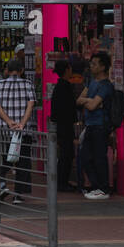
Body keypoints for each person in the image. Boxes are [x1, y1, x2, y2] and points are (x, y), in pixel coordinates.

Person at [0, 58, 38, 204]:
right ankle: (18, 194)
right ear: (22, 70)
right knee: (23, 161)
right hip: (23, 131)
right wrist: (22, 123)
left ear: (7, 70)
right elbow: (31, 104)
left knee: (4, 159)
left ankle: (0, 184)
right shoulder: (28, 84)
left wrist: (8, 121)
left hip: (4, 130)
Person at [76, 51, 117, 199]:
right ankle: (96, 186)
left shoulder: (106, 86)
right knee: (85, 156)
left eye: (94, 64)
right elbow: (80, 100)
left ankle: (103, 188)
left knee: (99, 157)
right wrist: (90, 101)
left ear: (103, 67)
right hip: (90, 125)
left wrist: (88, 101)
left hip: (101, 125)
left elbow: (91, 105)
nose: (91, 66)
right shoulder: (92, 82)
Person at [49, 60, 81, 193]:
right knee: (66, 154)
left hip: (61, 125)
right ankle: (62, 182)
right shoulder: (65, 87)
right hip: (65, 126)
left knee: (65, 154)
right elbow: (69, 108)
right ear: (67, 69)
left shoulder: (60, 87)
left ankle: (62, 181)